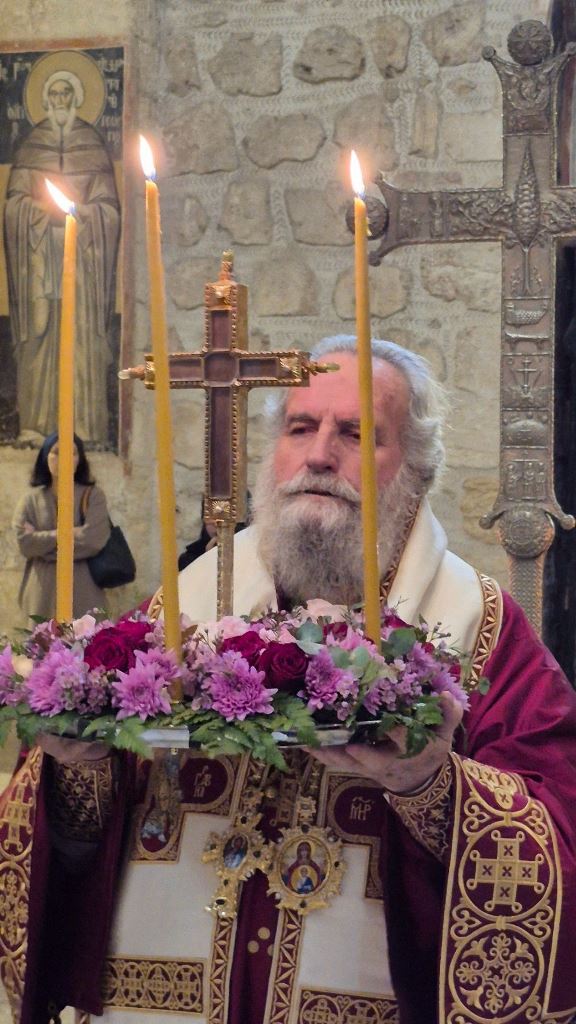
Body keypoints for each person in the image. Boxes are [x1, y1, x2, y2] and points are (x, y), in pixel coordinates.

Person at [2, 336, 576, 1024]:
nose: (320, 455)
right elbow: (76, 840)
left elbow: (558, 840)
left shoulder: (478, 631)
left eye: (358, 434)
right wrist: (75, 770)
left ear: (416, 472)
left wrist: (431, 786)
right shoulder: (178, 614)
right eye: (301, 428)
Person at [4, 69, 121, 446]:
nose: (58, 100)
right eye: (52, 93)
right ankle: (35, 425)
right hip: (38, 260)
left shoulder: (91, 142)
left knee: (81, 339)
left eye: (65, 93)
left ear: (76, 98)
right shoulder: (31, 144)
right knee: (40, 340)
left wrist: (80, 216)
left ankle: (84, 428)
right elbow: (12, 208)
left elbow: (109, 210)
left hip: (83, 265)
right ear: (44, 100)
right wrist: (40, 212)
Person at [12, 431, 111, 621]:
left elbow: (92, 540)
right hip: (41, 591)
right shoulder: (30, 500)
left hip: (83, 589)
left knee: (84, 645)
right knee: (41, 646)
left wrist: (43, 544)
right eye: (56, 452)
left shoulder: (93, 496)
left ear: (79, 459)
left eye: (71, 453)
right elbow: (25, 543)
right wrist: (68, 535)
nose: (64, 458)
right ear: (45, 457)